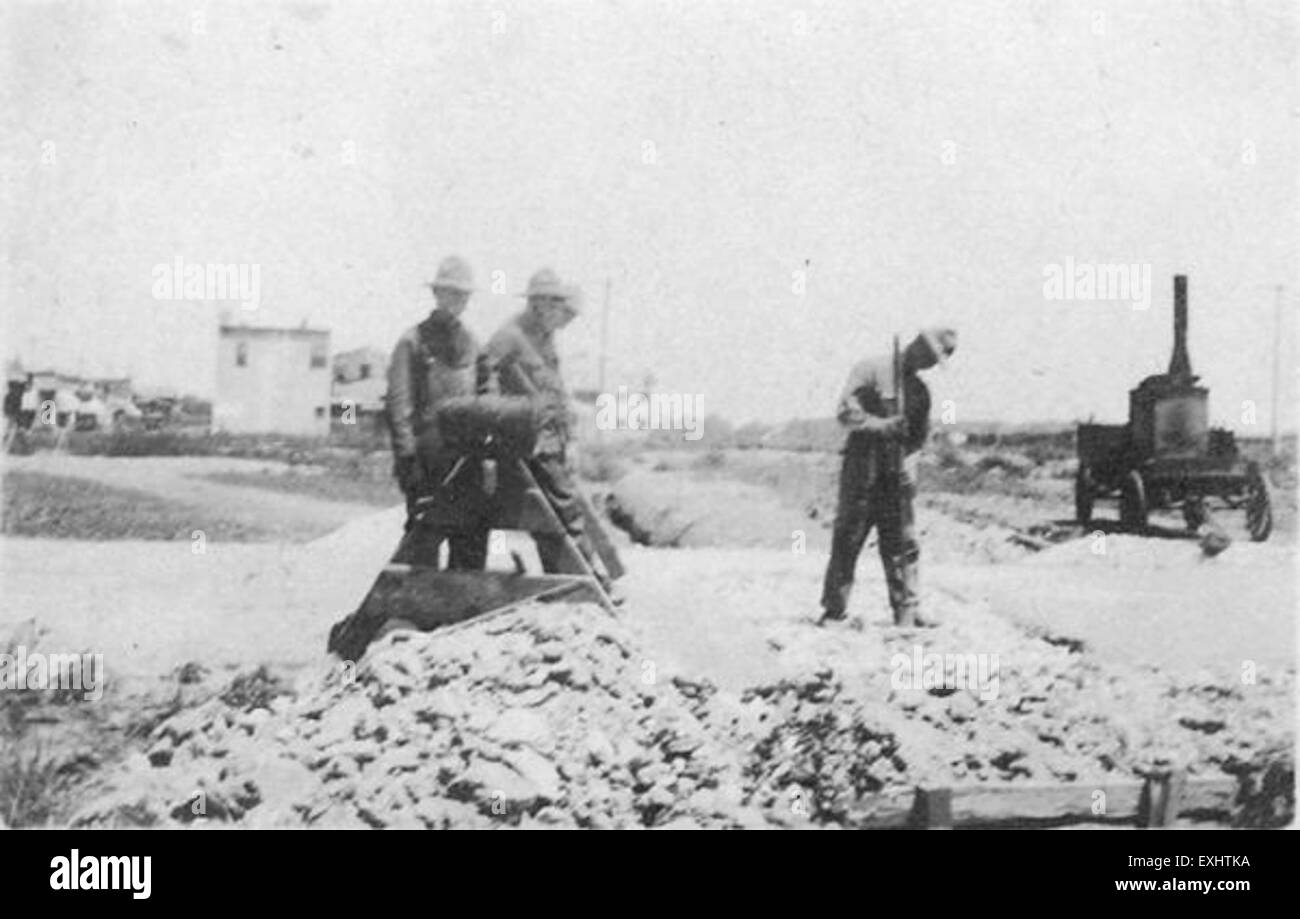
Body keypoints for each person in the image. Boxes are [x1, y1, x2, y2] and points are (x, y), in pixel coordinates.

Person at [483, 269, 616, 597]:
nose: (551, 309)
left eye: (555, 302)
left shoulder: (546, 340)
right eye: (544, 302)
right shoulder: (509, 336)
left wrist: (568, 434)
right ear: (533, 302)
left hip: (551, 441)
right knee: (559, 508)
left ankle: (568, 580)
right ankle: (581, 580)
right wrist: (507, 420)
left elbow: (555, 390)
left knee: (553, 512)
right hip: (523, 444)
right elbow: (485, 385)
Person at [819, 327, 957, 627]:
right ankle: (835, 609)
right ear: (915, 345)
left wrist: (910, 464)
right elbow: (845, 412)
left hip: (896, 476)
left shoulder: (920, 392)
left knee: (902, 543)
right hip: (863, 468)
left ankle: (906, 609)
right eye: (928, 355)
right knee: (849, 536)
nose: (929, 364)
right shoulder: (870, 369)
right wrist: (881, 425)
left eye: (935, 361)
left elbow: (919, 438)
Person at [385, 255, 489, 570]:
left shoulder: (472, 343)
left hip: (466, 458)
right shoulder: (412, 342)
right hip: (428, 460)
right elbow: (398, 407)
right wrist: (408, 460)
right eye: (450, 293)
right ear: (436, 294)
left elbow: (487, 393)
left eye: (463, 295)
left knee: (471, 537)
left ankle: (461, 614)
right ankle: (417, 612)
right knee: (424, 540)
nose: (457, 300)